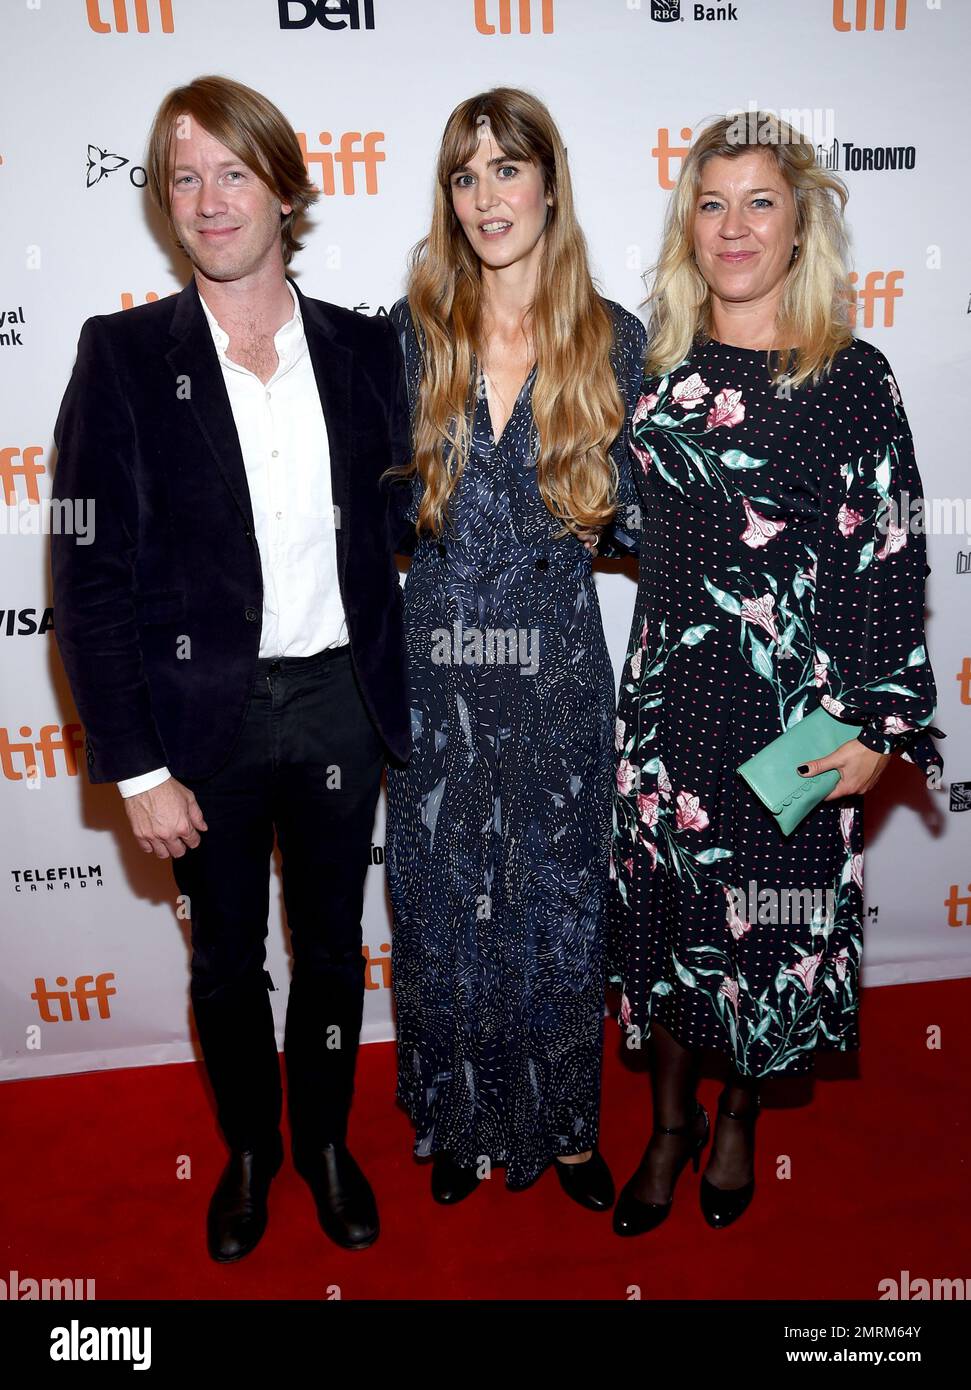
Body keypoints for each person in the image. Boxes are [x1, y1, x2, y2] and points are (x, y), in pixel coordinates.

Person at [50, 75, 412, 1260]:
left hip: (337, 701)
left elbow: (410, 526)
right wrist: (136, 765)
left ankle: (323, 1141)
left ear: (285, 188)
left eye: (232, 172)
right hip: (199, 717)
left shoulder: (364, 351)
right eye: (183, 177)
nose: (207, 201)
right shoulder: (121, 355)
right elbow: (89, 578)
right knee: (223, 961)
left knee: (328, 946)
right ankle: (250, 1151)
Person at [610, 112, 942, 1236]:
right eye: (711, 202)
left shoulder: (850, 378)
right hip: (665, 713)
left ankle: (740, 1110)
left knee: (761, 936)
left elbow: (888, 554)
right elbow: (608, 509)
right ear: (686, 225)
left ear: (799, 224)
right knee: (664, 926)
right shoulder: (648, 370)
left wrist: (878, 725)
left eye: (759, 201)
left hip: (790, 721)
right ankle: (666, 1124)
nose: (733, 225)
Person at [385, 87, 647, 1207]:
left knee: (554, 900)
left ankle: (567, 1129)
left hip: (556, 666)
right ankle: (457, 1120)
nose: (486, 195)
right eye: (464, 173)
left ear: (548, 181)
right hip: (436, 657)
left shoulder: (615, 338)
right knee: (441, 897)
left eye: (505, 168)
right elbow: (359, 515)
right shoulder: (407, 334)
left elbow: (646, 523)